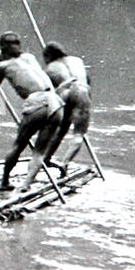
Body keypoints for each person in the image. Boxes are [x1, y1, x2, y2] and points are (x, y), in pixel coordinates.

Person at [0, 31, 64, 191]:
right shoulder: (29, 57)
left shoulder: (2, 66)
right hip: (56, 103)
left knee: (18, 146)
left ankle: (4, 181)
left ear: (2, 48)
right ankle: (26, 184)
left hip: (37, 103)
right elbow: (7, 57)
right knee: (39, 152)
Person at [41, 42, 92, 175]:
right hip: (81, 91)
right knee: (79, 133)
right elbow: (88, 81)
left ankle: (46, 158)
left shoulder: (49, 69)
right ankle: (65, 163)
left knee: (61, 130)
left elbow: (47, 91)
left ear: (48, 56)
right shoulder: (77, 61)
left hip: (63, 93)